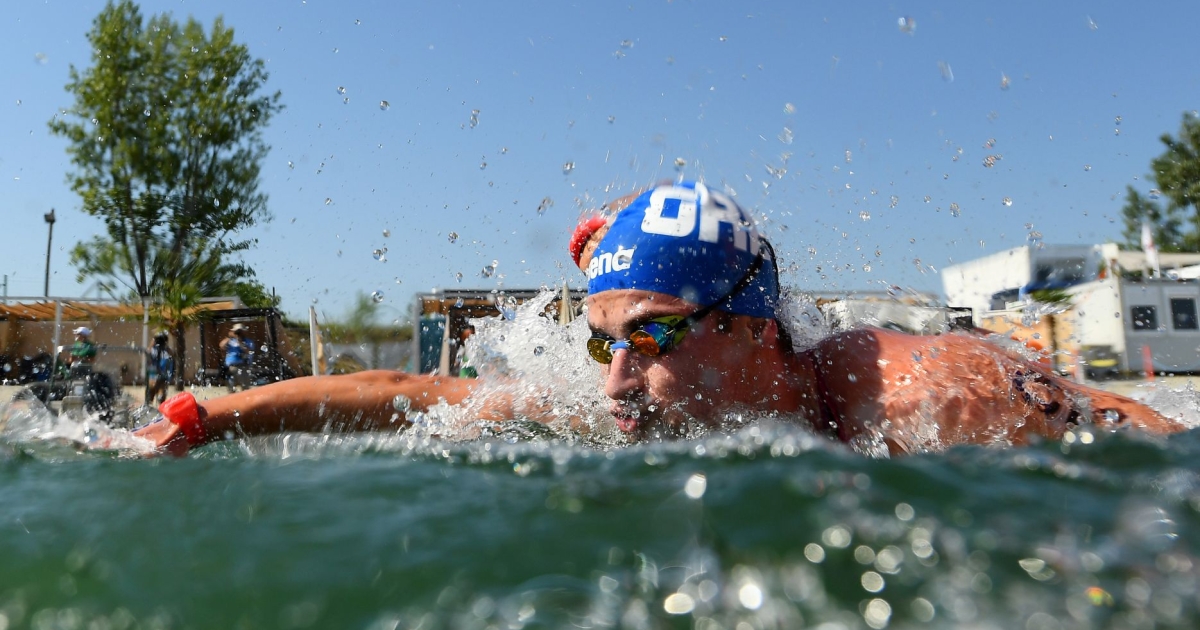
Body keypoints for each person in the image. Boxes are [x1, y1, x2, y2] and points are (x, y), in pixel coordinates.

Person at [134, 181, 1187, 456]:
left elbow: (1144, 443)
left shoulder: (917, 396)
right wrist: (211, 414)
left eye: (652, 337)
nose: (612, 382)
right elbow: (407, 395)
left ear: (757, 328)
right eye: (604, 341)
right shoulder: (626, 410)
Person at [219, 324, 256, 393]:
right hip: (230, 367)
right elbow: (221, 346)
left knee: (245, 388)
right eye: (237, 331)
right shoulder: (230, 341)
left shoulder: (248, 341)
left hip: (243, 367)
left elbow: (249, 351)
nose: (239, 333)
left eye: (240, 331)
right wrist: (229, 337)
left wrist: (240, 341)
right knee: (231, 389)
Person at [145, 331, 175, 406]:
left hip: (162, 374)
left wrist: (163, 344)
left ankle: (159, 405)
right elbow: (148, 352)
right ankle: (150, 404)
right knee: (151, 394)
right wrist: (153, 342)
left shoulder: (166, 350)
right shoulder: (154, 349)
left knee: (161, 396)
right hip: (155, 373)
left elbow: (172, 355)